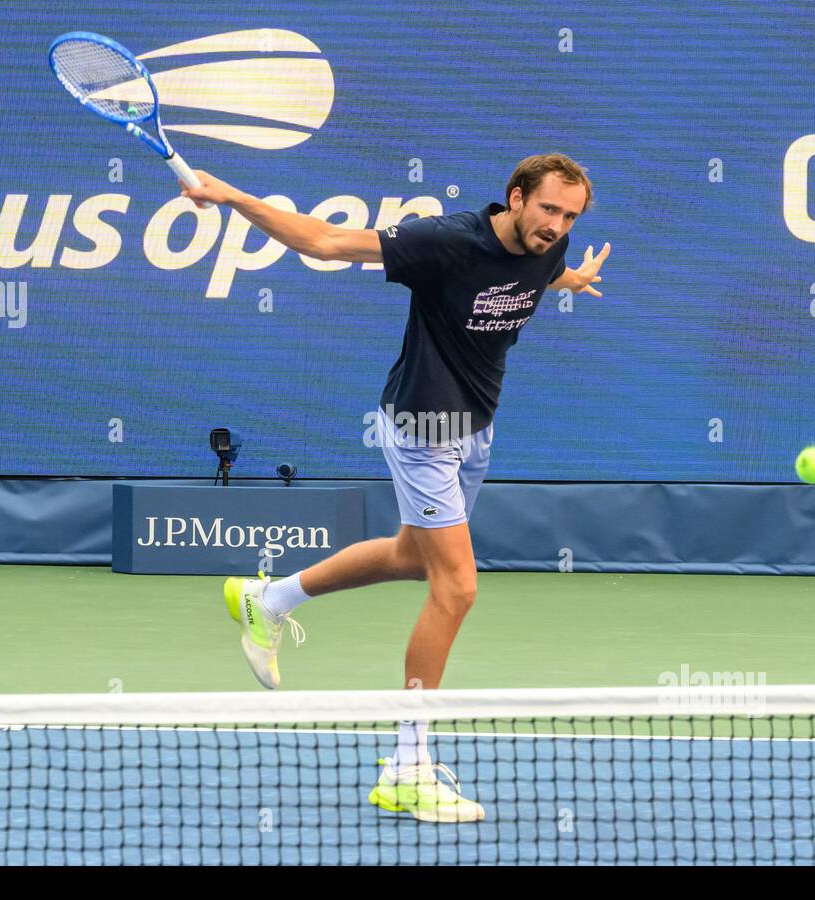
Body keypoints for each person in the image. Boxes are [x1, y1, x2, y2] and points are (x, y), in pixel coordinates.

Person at [181, 154, 610, 822]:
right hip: (423, 428)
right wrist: (233, 195)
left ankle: (270, 598)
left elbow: (542, 270)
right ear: (515, 197)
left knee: (413, 556)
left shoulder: (550, 247)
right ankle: (407, 765)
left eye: (570, 216)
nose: (556, 226)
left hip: (475, 427)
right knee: (457, 587)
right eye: (548, 210)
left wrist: (571, 279)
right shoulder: (446, 241)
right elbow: (322, 240)